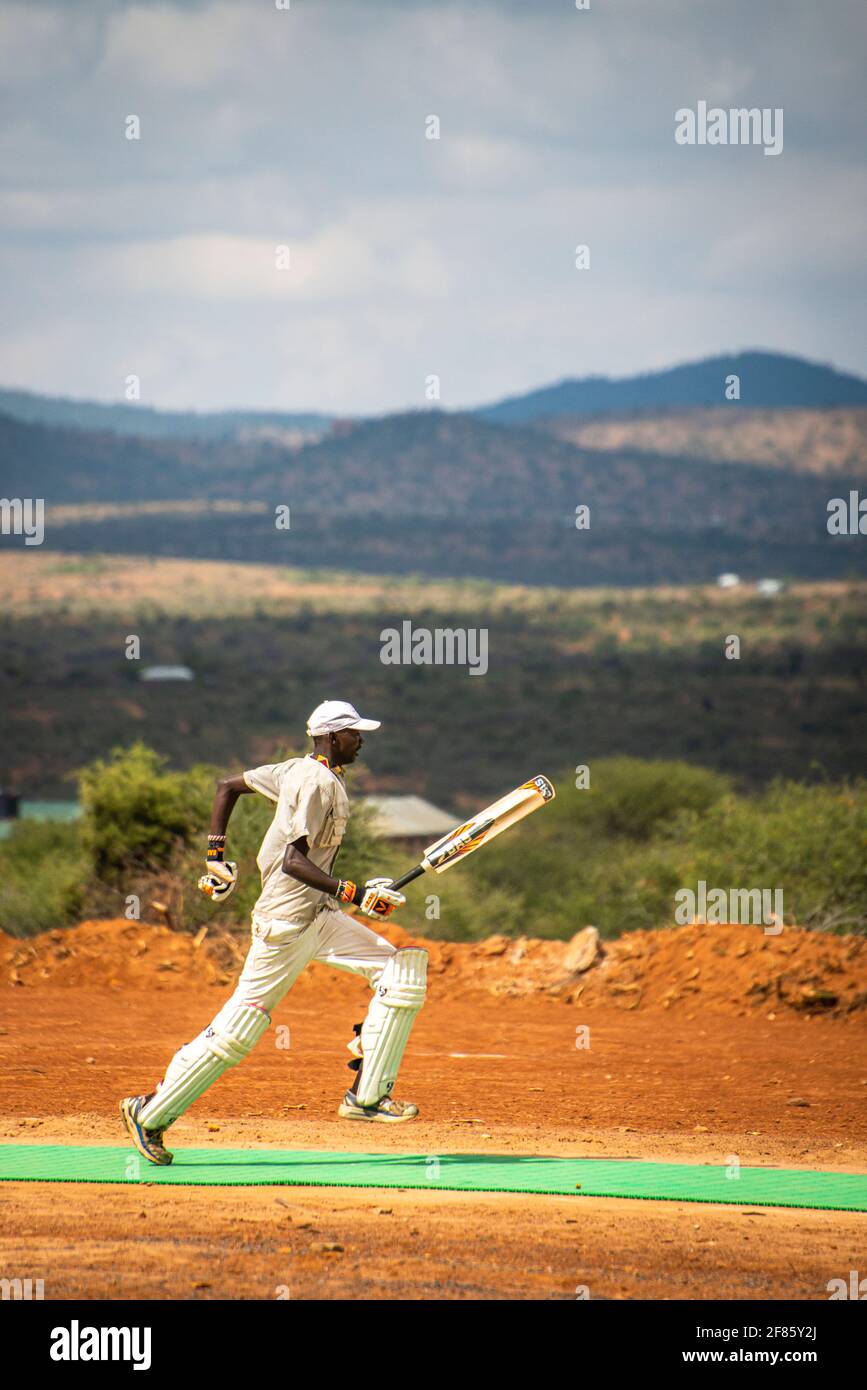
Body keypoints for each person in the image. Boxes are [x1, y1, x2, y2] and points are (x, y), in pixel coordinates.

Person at [120, 700, 427, 1166]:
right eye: (354, 733)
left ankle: (366, 1097)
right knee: (239, 1032)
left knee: (401, 972)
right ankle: (151, 1111)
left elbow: (227, 786)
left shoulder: (298, 770)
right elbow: (292, 860)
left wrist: (215, 854)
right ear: (330, 737)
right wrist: (355, 893)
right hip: (284, 925)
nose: (361, 741)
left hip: (318, 916)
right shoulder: (315, 782)